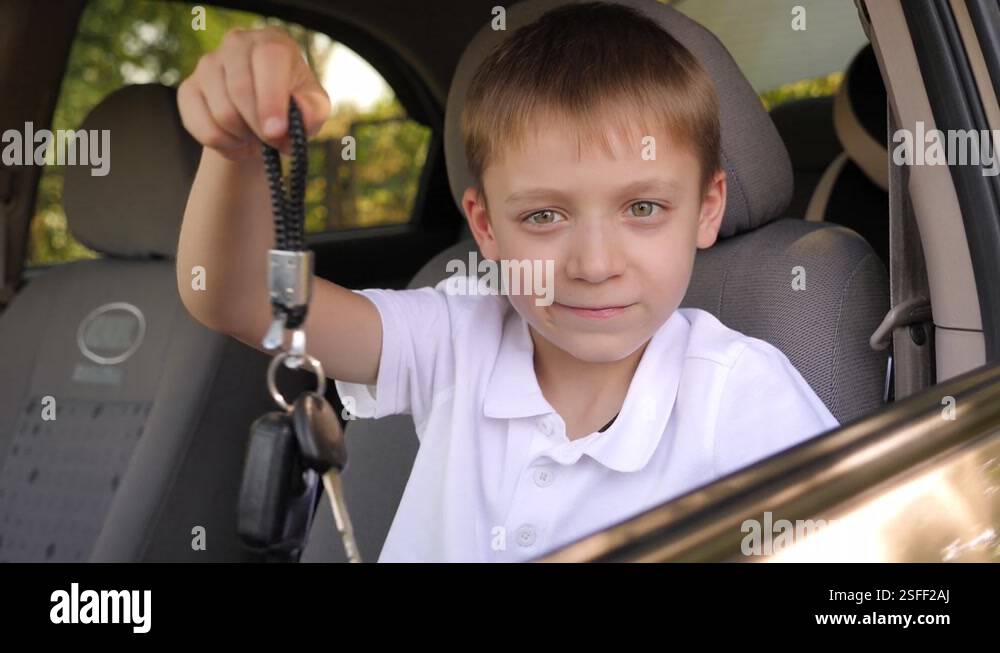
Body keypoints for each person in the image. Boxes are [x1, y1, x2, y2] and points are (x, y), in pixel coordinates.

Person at [176, 1, 839, 562]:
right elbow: (237, 297)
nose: (595, 263)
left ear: (708, 209)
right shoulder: (457, 335)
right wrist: (235, 150)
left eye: (643, 208)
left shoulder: (745, 395)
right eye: (544, 215)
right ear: (486, 229)